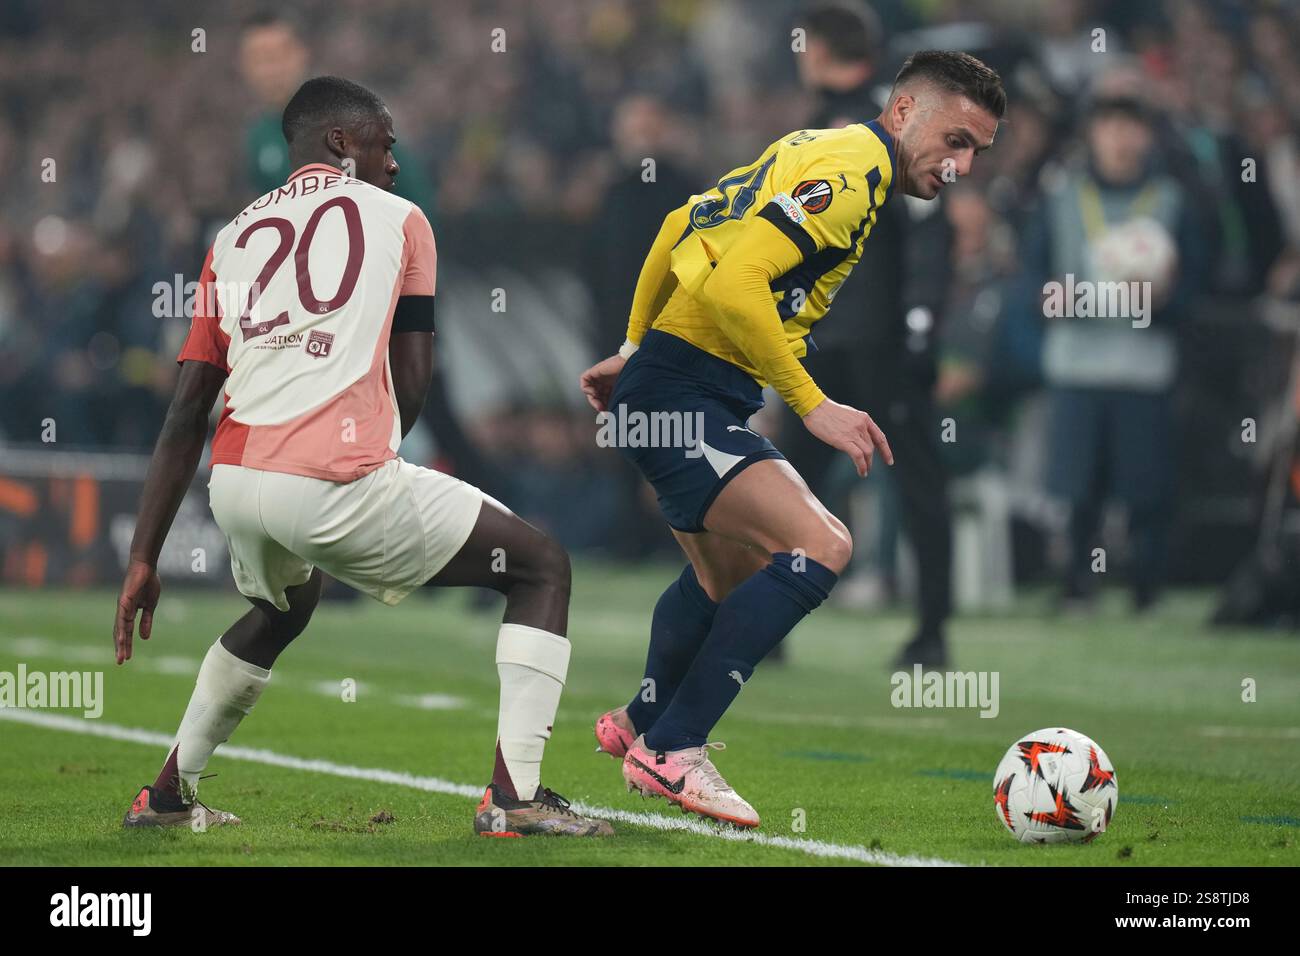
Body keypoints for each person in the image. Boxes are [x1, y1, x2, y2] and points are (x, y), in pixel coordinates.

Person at [114, 76, 610, 838]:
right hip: (329, 479)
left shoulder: (232, 236)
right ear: (341, 142)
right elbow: (412, 379)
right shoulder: (404, 220)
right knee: (542, 567)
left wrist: (144, 555)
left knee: (283, 606)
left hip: (236, 482)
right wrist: (374, 478)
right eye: (385, 143)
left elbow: (185, 411)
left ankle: (169, 797)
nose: (395, 163)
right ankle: (516, 796)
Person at [580, 51, 1004, 827]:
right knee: (823, 544)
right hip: (685, 391)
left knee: (726, 579)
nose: (963, 165)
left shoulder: (820, 148)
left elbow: (682, 224)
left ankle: (644, 719)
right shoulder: (850, 180)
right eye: (956, 140)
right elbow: (740, 278)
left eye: (976, 150)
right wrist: (812, 404)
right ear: (905, 111)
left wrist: (636, 347)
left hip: (674, 383)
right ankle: (675, 748)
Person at [787, 1, 957, 668]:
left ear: (822, 50)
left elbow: (926, 229)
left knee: (793, 482)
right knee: (801, 480)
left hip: (867, 339)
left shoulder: (885, 124)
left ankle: (932, 630)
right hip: (844, 338)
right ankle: (931, 629)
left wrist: (917, 322)